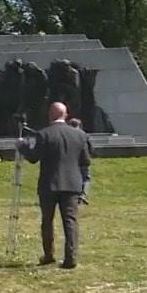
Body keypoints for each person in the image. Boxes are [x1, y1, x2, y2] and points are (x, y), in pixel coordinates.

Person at [20, 102, 92, 268]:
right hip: (72, 183)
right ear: (65, 115)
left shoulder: (44, 134)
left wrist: (23, 147)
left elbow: (33, 157)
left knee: (47, 221)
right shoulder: (80, 135)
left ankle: (48, 254)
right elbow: (86, 160)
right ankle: (71, 257)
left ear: (50, 115)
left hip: (49, 183)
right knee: (70, 221)